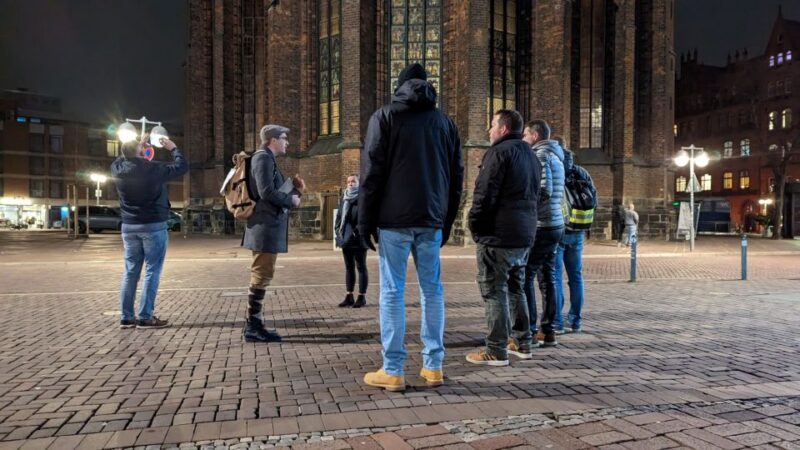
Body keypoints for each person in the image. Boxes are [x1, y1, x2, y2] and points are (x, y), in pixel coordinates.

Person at [359, 63, 464, 391]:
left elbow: (371, 173)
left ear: (400, 85)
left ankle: (393, 369)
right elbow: (457, 177)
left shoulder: (385, 117)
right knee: (432, 290)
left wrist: (365, 220)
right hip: (431, 218)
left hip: (394, 220)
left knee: (392, 292)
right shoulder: (445, 123)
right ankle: (434, 366)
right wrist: (446, 221)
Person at [466, 109, 540, 366]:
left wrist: (474, 225)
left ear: (504, 129)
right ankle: (522, 341)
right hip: (523, 234)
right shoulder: (531, 154)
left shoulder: (498, 153)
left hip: (498, 235)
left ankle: (496, 349)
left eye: (492, 125)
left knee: (494, 290)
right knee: (516, 287)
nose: (489, 130)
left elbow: (484, 195)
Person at [112, 132, 188, 329]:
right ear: (140, 152)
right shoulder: (152, 169)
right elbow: (182, 166)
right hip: (153, 224)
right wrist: (173, 148)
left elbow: (123, 156)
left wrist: (139, 145)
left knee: (130, 271)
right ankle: (146, 316)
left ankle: (127, 316)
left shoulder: (117, 168)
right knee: (152, 270)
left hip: (129, 226)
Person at [241, 124, 305, 343]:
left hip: (267, 226)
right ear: (272, 139)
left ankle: (254, 324)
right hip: (264, 227)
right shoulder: (263, 158)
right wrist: (292, 200)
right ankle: (253, 326)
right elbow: (266, 192)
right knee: (260, 275)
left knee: (263, 274)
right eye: (284, 138)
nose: (287, 142)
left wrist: (295, 188)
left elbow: (272, 191)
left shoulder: (268, 159)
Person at [518, 119, 565, 347]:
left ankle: (530, 329)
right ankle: (548, 330)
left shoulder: (540, 155)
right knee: (548, 277)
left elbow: (543, 190)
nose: (523, 139)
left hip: (542, 225)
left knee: (526, 276)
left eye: (525, 135)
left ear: (534, 136)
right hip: (555, 224)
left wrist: (526, 208)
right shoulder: (557, 155)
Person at [553, 145, 595, 334]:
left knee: (555, 278)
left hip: (559, 230)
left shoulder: (555, 169)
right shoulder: (582, 172)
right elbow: (594, 199)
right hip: (578, 230)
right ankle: (576, 321)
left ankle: (557, 322)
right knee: (576, 277)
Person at [335, 174, 369, 308]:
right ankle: (349, 296)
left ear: (358, 183)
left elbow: (365, 217)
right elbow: (339, 217)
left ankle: (362, 296)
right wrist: (338, 232)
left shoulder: (362, 198)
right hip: (346, 239)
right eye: (348, 181)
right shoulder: (344, 198)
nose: (350, 184)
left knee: (361, 267)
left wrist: (357, 231)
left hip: (358, 239)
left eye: (353, 181)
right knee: (349, 268)